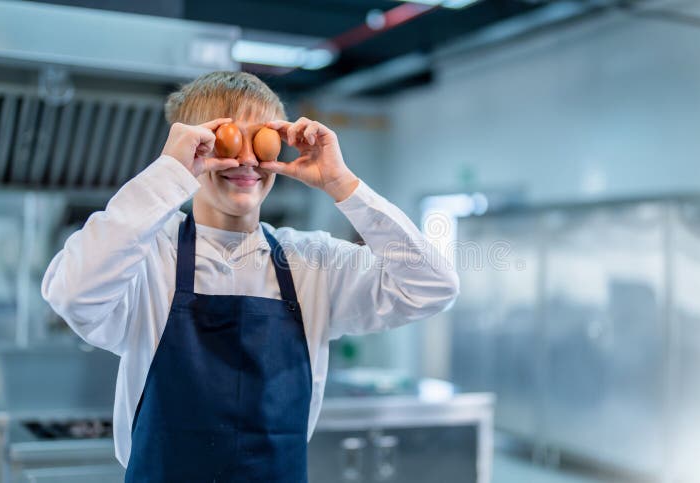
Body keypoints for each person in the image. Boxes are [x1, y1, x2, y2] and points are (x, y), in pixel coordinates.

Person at [41, 71, 459, 482]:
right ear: (192, 147)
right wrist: (167, 175)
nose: (246, 159)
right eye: (227, 139)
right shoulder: (147, 256)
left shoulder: (311, 262)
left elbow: (432, 286)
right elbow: (71, 294)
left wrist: (342, 184)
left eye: (262, 140)